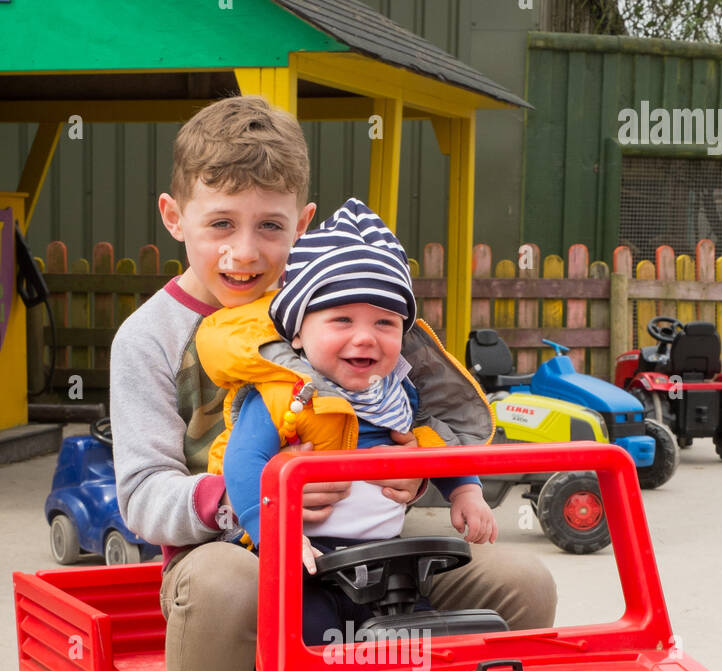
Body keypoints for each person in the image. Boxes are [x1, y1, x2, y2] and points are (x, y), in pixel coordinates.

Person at [111, 95, 557, 671]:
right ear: (175, 218)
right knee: (223, 585)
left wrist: (417, 483)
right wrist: (244, 499)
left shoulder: (349, 310)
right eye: (220, 224)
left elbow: (426, 427)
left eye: (271, 227)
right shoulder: (151, 338)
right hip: (233, 554)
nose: (245, 252)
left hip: (371, 554)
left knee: (524, 584)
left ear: (303, 225)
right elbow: (140, 496)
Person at [196, 197, 497, 644]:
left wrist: (465, 489)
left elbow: (434, 442)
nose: (365, 337)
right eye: (341, 319)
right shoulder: (282, 394)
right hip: (308, 561)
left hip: (392, 562)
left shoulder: (400, 391)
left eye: (385, 322)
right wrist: (272, 532)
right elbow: (244, 463)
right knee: (311, 635)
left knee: (423, 641)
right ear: (297, 333)